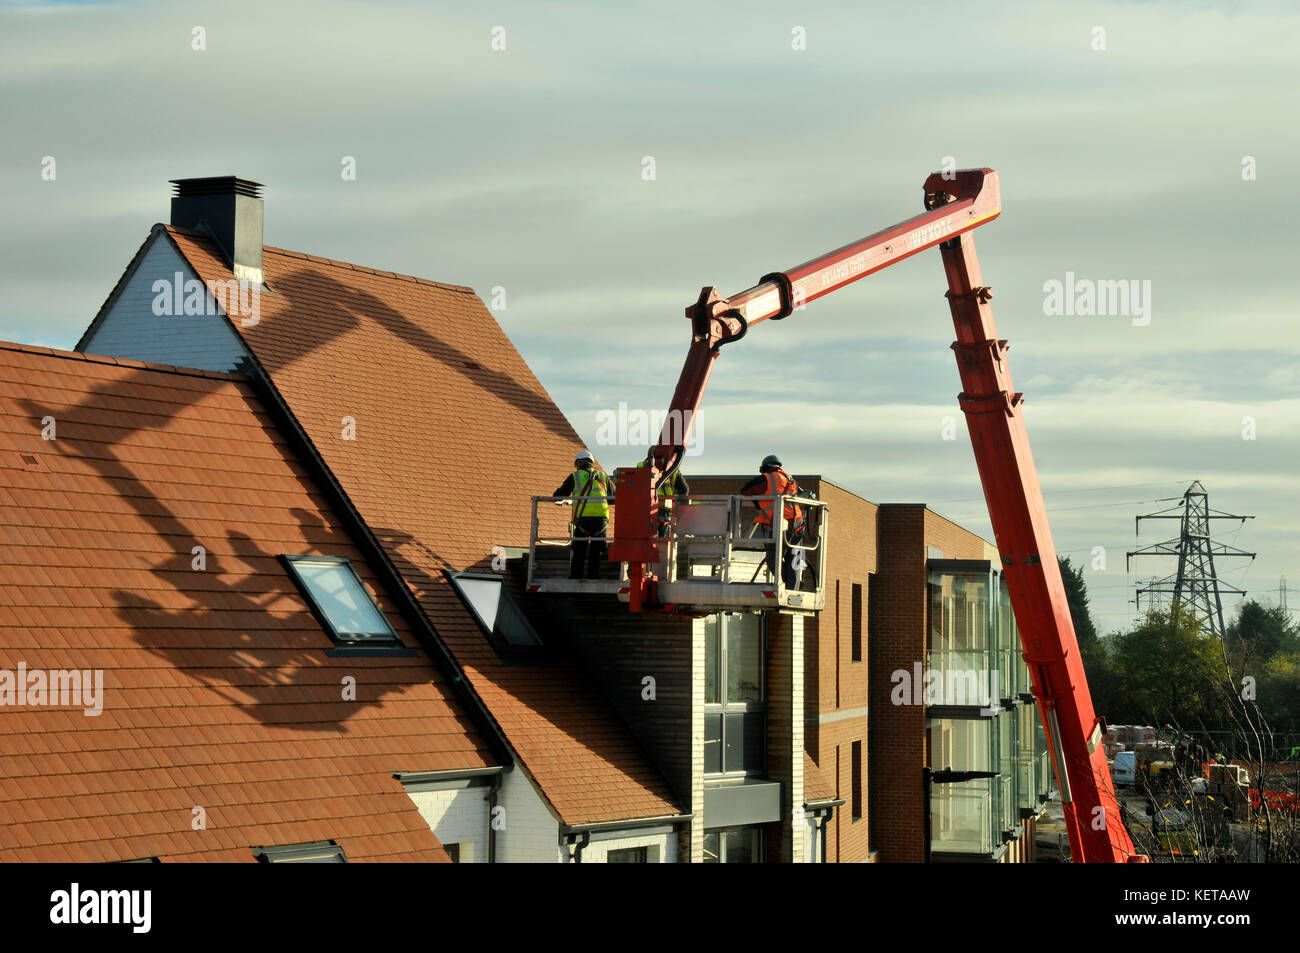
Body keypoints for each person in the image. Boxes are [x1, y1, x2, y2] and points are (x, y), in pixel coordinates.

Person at [740, 454, 815, 591]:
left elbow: (745, 490)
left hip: (781, 525)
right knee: (794, 559)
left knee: (773, 560)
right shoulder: (790, 479)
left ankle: (785, 584)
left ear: (765, 468)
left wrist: (757, 501)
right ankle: (793, 588)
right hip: (798, 524)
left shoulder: (765, 479)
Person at [554, 450, 615, 579]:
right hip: (601, 520)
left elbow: (557, 496)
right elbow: (613, 498)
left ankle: (576, 577)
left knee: (579, 550)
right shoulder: (603, 476)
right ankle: (593, 577)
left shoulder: (575, 477)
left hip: (583, 520)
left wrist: (566, 500)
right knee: (596, 551)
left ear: (579, 463)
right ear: (591, 463)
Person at [637, 457, 690, 536]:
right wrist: (681, 511)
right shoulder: (673, 469)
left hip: (647, 510)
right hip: (665, 511)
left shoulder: (643, 466)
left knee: (648, 540)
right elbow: (684, 490)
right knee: (664, 543)